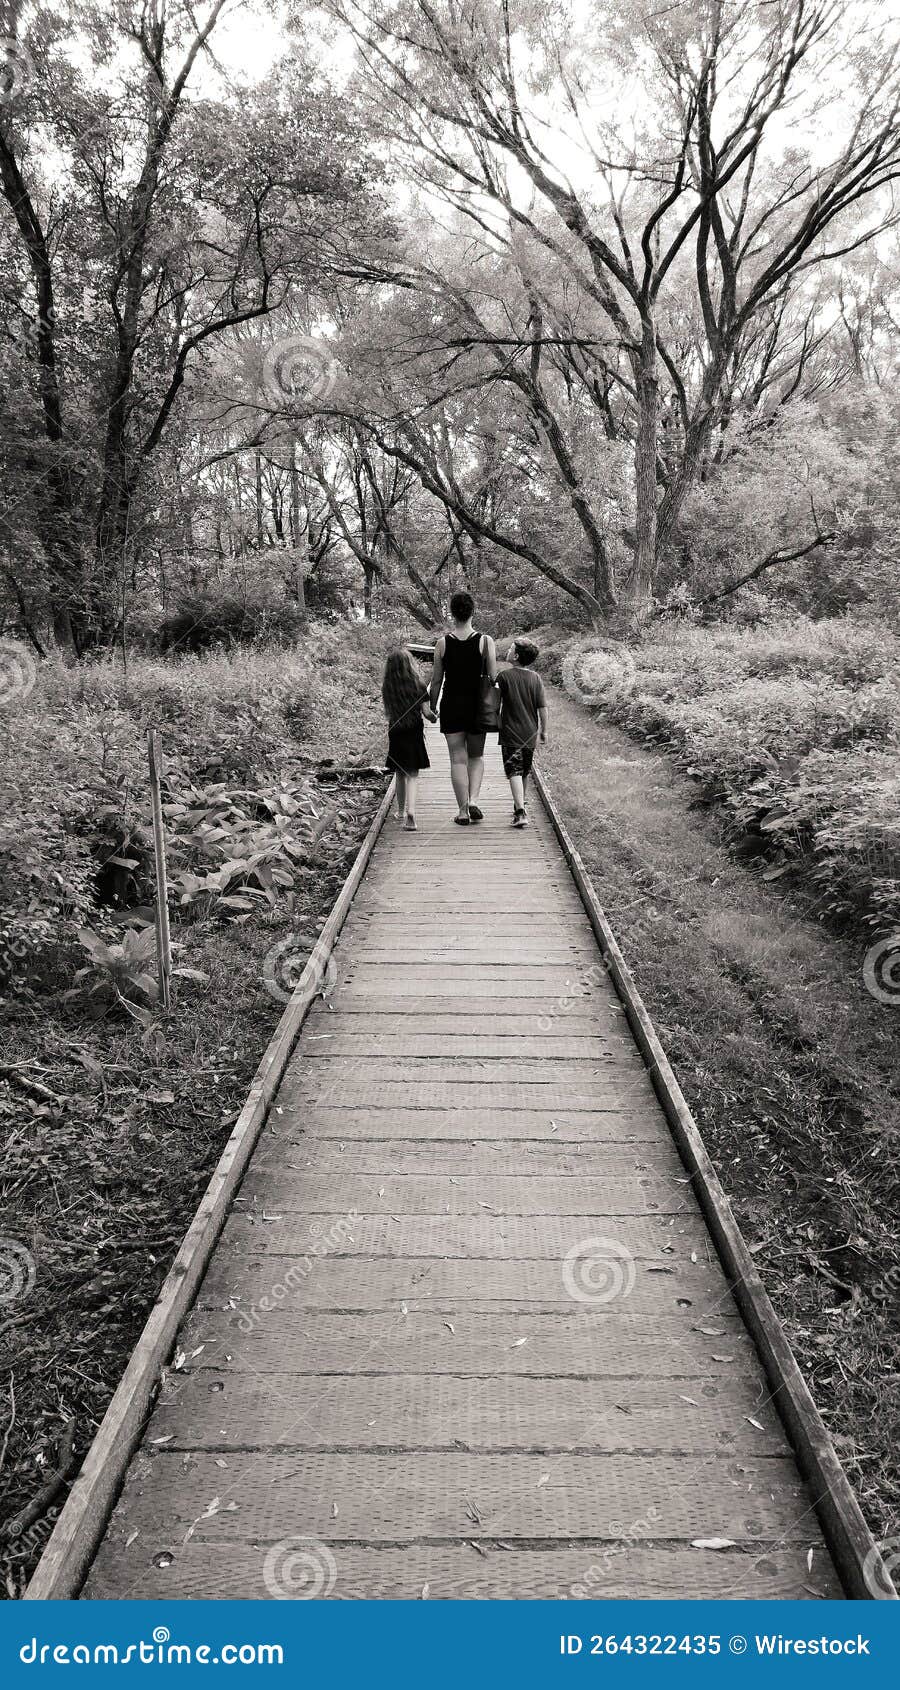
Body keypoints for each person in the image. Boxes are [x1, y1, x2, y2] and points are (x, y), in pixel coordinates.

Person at [429, 590, 498, 825]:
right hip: (478, 707)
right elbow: (492, 677)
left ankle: (461, 811)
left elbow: (436, 680)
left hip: (451, 705)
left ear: (452, 613)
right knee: (476, 756)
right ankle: (474, 800)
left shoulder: (442, 643)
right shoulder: (485, 642)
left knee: (457, 759)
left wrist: (431, 706)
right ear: (472, 611)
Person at [381, 646, 436, 831]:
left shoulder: (388, 687)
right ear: (409, 665)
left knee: (400, 772)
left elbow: (389, 711)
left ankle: (401, 811)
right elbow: (427, 713)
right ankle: (411, 812)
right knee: (413, 774)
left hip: (396, 731)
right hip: (414, 731)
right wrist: (434, 717)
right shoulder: (419, 685)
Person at [496, 638, 548, 828]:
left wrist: (495, 720)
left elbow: (494, 704)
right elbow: (542, 707)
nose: (508, 651)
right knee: (524, 771)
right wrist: (544, 730)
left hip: (511, 733)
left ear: (516, 656)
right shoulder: (535, 678)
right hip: (529, 733)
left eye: (510, 649)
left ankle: (520, 811)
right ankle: (521, 804)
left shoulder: (503, 677)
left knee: (514, 771)